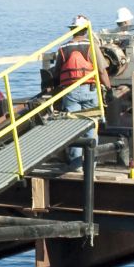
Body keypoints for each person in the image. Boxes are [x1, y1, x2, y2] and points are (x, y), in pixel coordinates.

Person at [53, 15, 100, 165]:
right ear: (86, 30)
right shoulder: (91, 46)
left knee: (74, 128)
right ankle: (91, 164)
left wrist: (55, 89)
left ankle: (75, 166)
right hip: (90, 89)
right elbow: (102, 70)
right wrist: (109, 89)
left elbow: (57, 72)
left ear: (72, 30)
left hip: (71, 91)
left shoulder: (63, 48)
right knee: (91, 126)